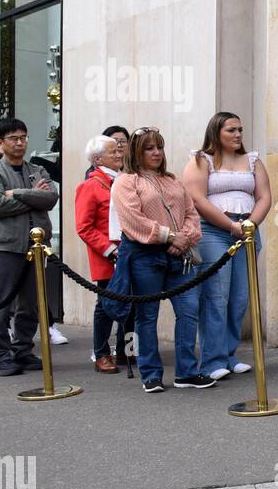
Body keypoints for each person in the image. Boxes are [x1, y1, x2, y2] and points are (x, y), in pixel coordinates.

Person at [112, 126, 211, 393]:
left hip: (181, 257)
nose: (156, 152)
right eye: (149, 148)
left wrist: (185, 238)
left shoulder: (172, 179)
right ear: (137, 151)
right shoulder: (126, 181)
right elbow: (133, 221)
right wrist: (169, 237)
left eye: (159, 147)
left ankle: (187, 372)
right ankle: (151, 374)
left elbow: (191, 213)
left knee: (189, 312)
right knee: (147, 315)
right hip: (145, 256)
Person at [183, 112, 272, 380]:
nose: (238, 135)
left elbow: (265, 196)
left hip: (247, 230)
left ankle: (230, 355)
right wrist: (230, 226)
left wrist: (250, 225)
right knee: (216, 296)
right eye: (231, 130)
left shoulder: (253, 160)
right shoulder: (201, 160)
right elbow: (197, 199)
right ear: (216, 132)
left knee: (241, 297)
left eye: (240, 130)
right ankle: (212, 360)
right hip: (214, 231)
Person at [0, 118, 59, 376]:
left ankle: (22, 350)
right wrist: (31, 195)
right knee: (0, 303)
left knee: (30, 305)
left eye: (23, 137)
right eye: (14, 138)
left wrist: (15, 193)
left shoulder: (36, 169)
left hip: (36, 246)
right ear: (1, 143)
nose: (20, 142)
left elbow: (50, 198)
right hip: (5, 246)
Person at [75, 134, 127, 373]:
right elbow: (84, 227)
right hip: (107, 254)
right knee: (106, 305)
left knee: (134, 303)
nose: (119, 154)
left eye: (119, 150)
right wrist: (109, 249)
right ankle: (102, 352)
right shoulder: (90, 186)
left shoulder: (125, 180)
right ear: (97, 159)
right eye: (112, 152)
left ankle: (128, 350)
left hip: (131, 250)